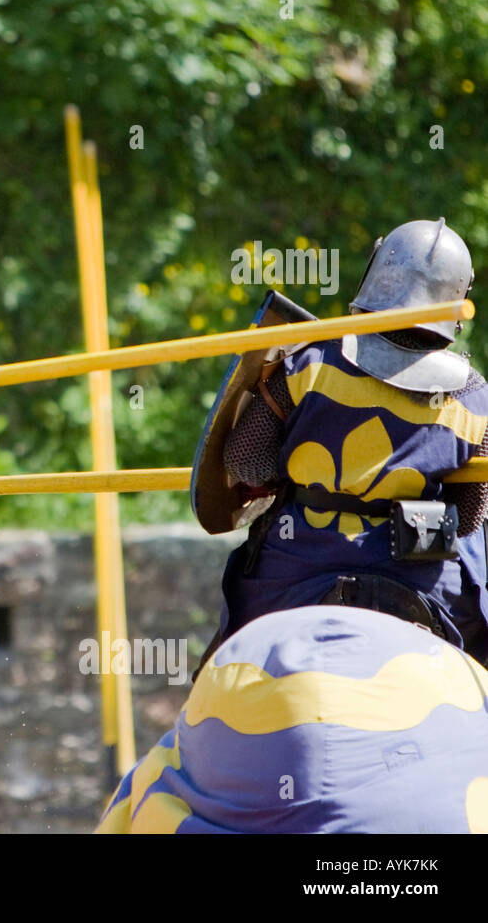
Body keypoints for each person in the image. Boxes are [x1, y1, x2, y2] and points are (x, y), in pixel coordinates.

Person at [206, 218, 488, 666]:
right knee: (475, 664)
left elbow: (245, 461)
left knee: (224, 666)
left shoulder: (312, 359)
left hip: (298, 560)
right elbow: (470, 518)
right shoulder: (472, 399)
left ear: (375, 276)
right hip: (414, 573)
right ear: (455, 302)